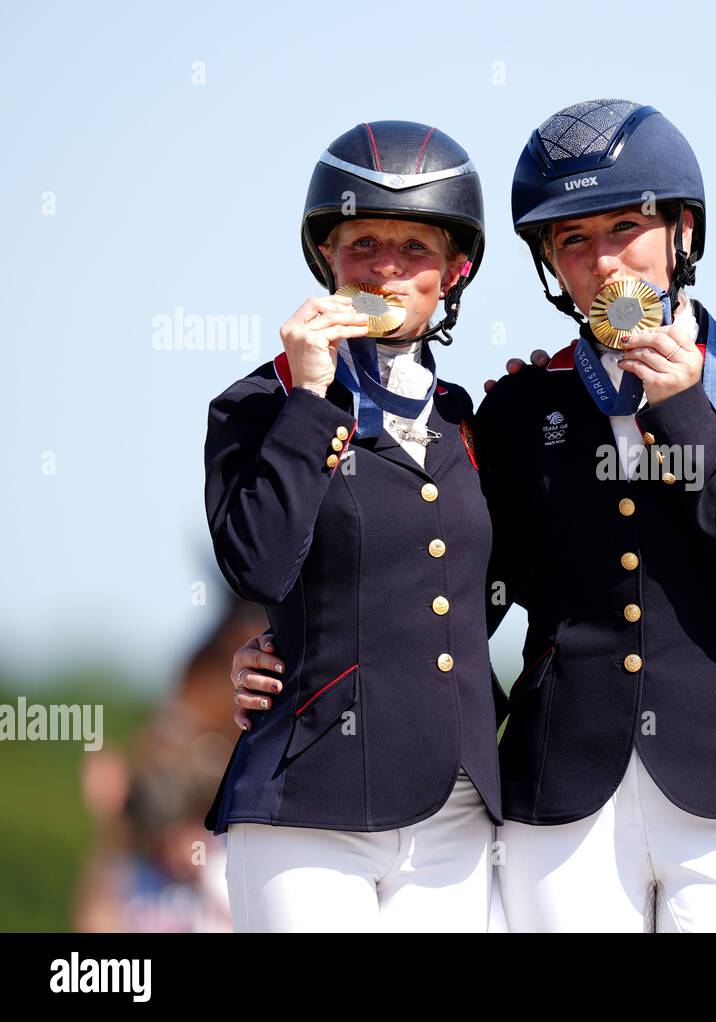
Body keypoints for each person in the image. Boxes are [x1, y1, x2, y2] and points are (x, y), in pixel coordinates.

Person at [234, 99, 716, 932]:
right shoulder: (516, 409)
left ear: (682, 234)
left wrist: (687, 413)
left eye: (625, 228)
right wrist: (301, 653)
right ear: (553, 264)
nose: (603, 262)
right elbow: (459, 585)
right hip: (557, 795)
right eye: (574, 242)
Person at [204, 120, 502, 932]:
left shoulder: (467, 422)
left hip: (456, 808)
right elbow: (259, 569)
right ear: (326, 258)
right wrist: (309, 399)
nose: (386, 267)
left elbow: (481, 593)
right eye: (363, 242)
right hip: (310, 798)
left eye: (415, 247)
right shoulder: (256, 405)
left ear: (455, 270)